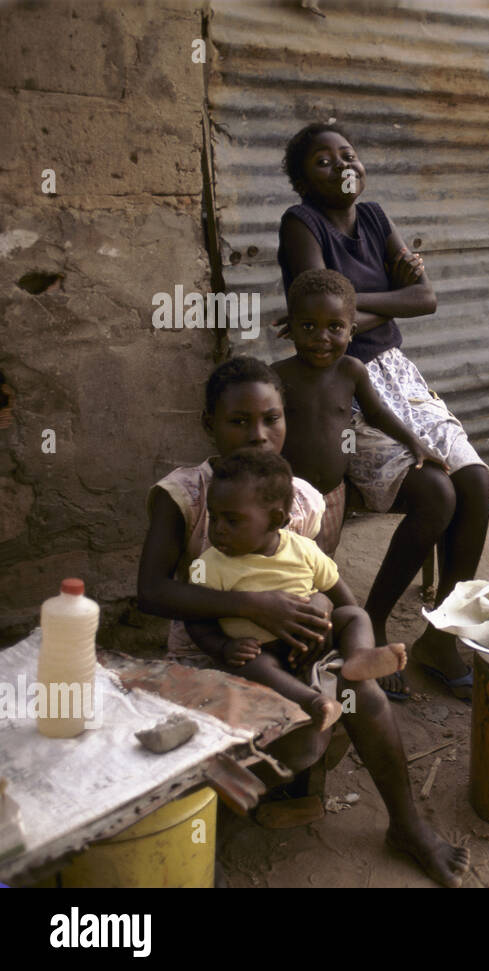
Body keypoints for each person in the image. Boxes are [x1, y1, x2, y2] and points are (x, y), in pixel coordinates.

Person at [137, 357, 470, 887]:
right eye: (238, 421)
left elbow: (312, 582)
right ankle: (206, 844)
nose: (258, 435)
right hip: (212, 652)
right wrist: (249, 608)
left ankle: (406, 824)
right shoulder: (186, 495)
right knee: (294, 740)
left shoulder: (300, 499)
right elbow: (151, 593)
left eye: (272, 419)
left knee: (366, 695)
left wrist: (316, 629)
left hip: (289, 646)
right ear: (209, 424)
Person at [277, 121, 489, 701]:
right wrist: (357, 310)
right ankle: (365, 632)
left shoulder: (373, 216)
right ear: (301, 180)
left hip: (397, 371)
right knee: (435, 494)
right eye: (322, 161)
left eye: (348, 153)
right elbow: (319, 314)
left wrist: (345, 304)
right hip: (341, 381)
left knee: (475, 480)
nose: (341, 165)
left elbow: (425, 299)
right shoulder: (302, 223)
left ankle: (442, 635)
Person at [186, 448, 406, 731]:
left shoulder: (304, 550)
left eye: (232, 520)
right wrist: (223, 646)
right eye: (213, 517)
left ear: (276, 520)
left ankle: (358, 657)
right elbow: (195, 617)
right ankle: (313, 702)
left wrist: (332, 629)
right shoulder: (210, 565)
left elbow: (340, 595)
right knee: (253, 666)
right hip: (261, 652)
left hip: (313, 646)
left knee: (356, 615)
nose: (218, 530)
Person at [272, 268, 446, 557]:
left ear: (351, 331)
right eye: (308, 327)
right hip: (286, 493)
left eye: (335, 327)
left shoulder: (351, 371)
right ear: (290, 327)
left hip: (332, 495)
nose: (321, 337)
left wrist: (414, 442)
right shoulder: (277, 377)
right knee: (283, 562)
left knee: (321, 565)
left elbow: (377, 413)